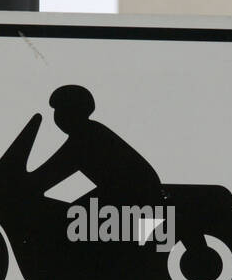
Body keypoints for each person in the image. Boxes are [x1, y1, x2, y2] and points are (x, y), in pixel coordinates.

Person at [29, 85, 164, 210]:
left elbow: (48, 175)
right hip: (131, 195)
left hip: (136, 198)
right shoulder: (91, 131)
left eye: (61, 111)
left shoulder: (86, 137)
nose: (58, 118)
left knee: (67, 217)